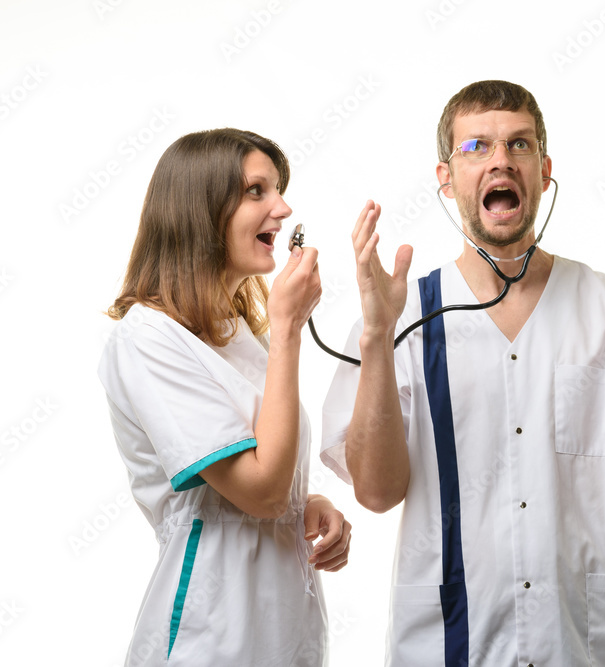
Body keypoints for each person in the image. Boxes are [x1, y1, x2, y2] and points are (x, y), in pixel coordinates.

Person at [320, 80, 605, 666]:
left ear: (543, 169)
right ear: (445, 178)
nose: (500, 159)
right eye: (476, 147)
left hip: (585, 645)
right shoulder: (401, 315)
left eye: (519, 145)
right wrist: (377, 338)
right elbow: (376, 492)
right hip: (450, 643)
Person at [98, 128, 351, 667]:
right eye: (257, 191)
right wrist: (287, 329)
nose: (282, 208)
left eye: (278, 190)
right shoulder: (149, 337)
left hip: (285, 634)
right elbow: (258, 493)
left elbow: (270, 483)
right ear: (201, 211)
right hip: (210, 638)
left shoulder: (239, 333)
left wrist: (308, 506)